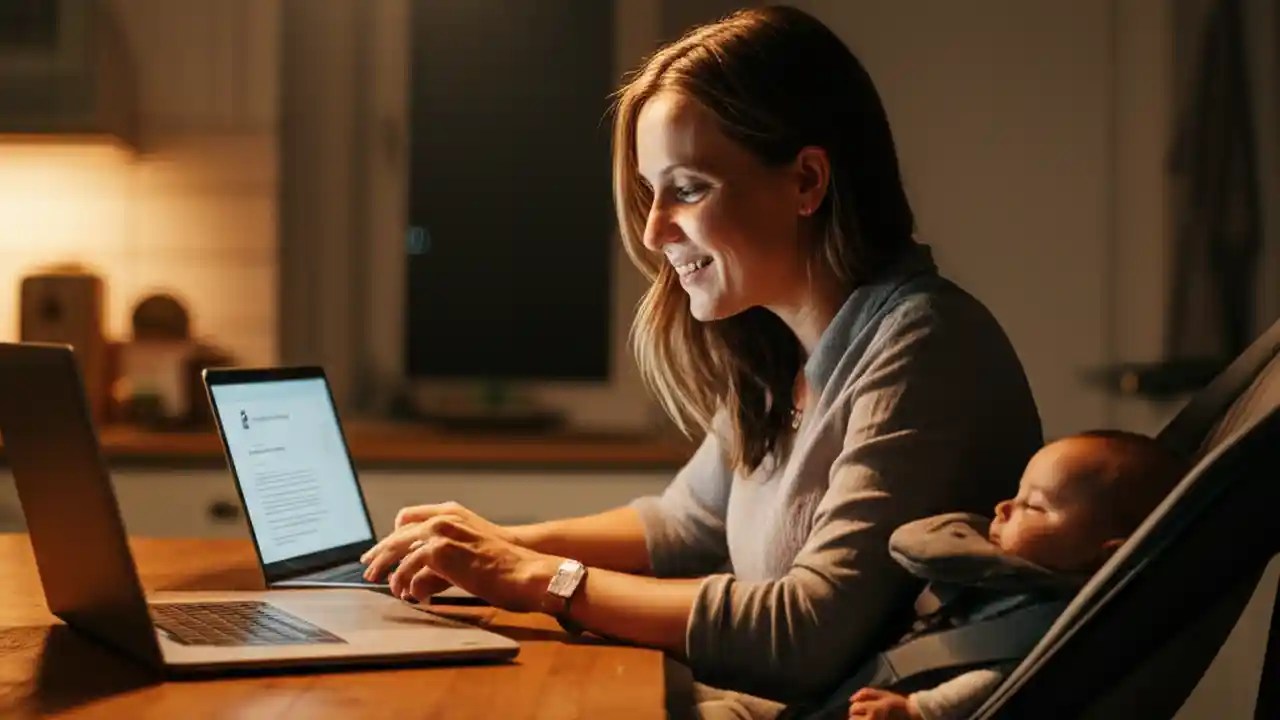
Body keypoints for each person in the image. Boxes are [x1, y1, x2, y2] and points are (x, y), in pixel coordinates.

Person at [360, 5, 1041, 713]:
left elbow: (805, 633)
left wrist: (536, 576)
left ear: (807, 181)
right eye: (652, 193)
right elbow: (685, 523)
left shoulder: (923, 348)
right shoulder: (780, 351)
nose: (655, 231)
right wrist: (484, 547)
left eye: (687, 189)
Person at [836, 431, 1187, 720]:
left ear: (1106, 555)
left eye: (1033, 505)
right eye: (1017, 494)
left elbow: (995, 682)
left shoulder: (1053, 622)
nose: (1003, 508)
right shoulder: (1004, 579)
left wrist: (916, 710)